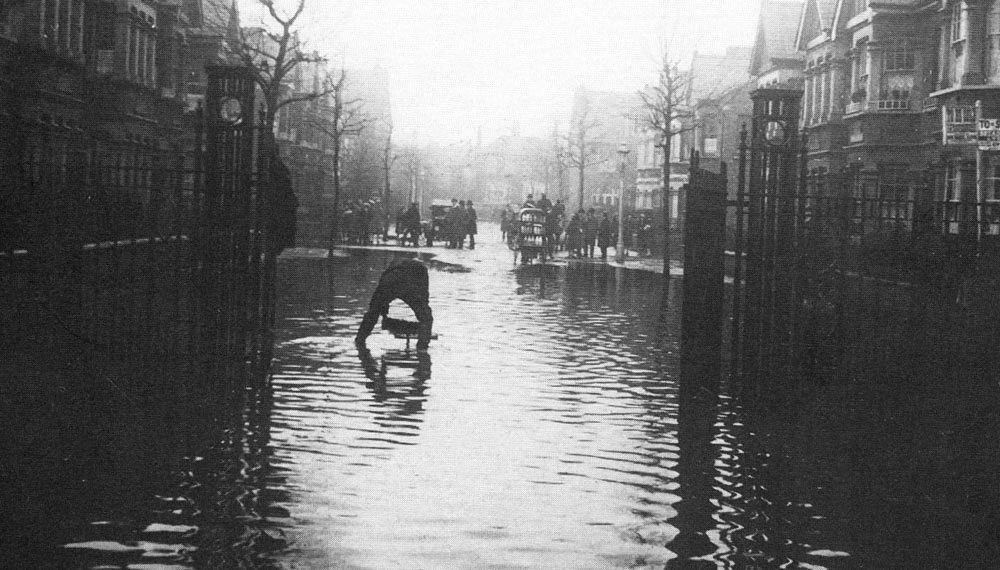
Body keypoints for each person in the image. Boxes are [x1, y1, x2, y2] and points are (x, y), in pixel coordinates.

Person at [355, 257, 434, 350]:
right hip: (409, 285)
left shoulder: (395, 263)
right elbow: (424, 294)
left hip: (389, 282)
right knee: (427, 319)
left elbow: (382, 281)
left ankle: (360, 341)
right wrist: (424, 311)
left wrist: (384, 312)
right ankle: (422, 349)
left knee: (372, 313)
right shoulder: (422, 269)